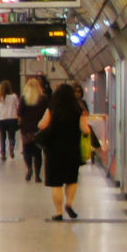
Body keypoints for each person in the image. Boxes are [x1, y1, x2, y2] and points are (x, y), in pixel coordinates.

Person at [37, 82, 86, 220]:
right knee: (71, 180)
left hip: (54, 150)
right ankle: (69, 203)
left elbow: (42, 124)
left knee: (56, 183)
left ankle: (59, 212)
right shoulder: (78, 110)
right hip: (72, 149)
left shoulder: (52, 108)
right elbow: (85, 129)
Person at [19, 75, 47, 182]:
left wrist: (21, 126)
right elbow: (46, 114)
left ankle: (29, 168)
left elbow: (19, 114)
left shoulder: (23, 99)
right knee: (37, 153)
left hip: (26, 130)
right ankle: (37, 176)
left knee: (27, 151)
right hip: (39, 130)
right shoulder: (43, 99)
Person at [0, 82, 20, 160]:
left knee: (2, 138)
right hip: (12, 119)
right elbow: (18, 107)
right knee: (12, 136)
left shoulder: (0, 97)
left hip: (1, 120)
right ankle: (11, 147)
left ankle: (3, 153)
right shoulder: (14, 96)